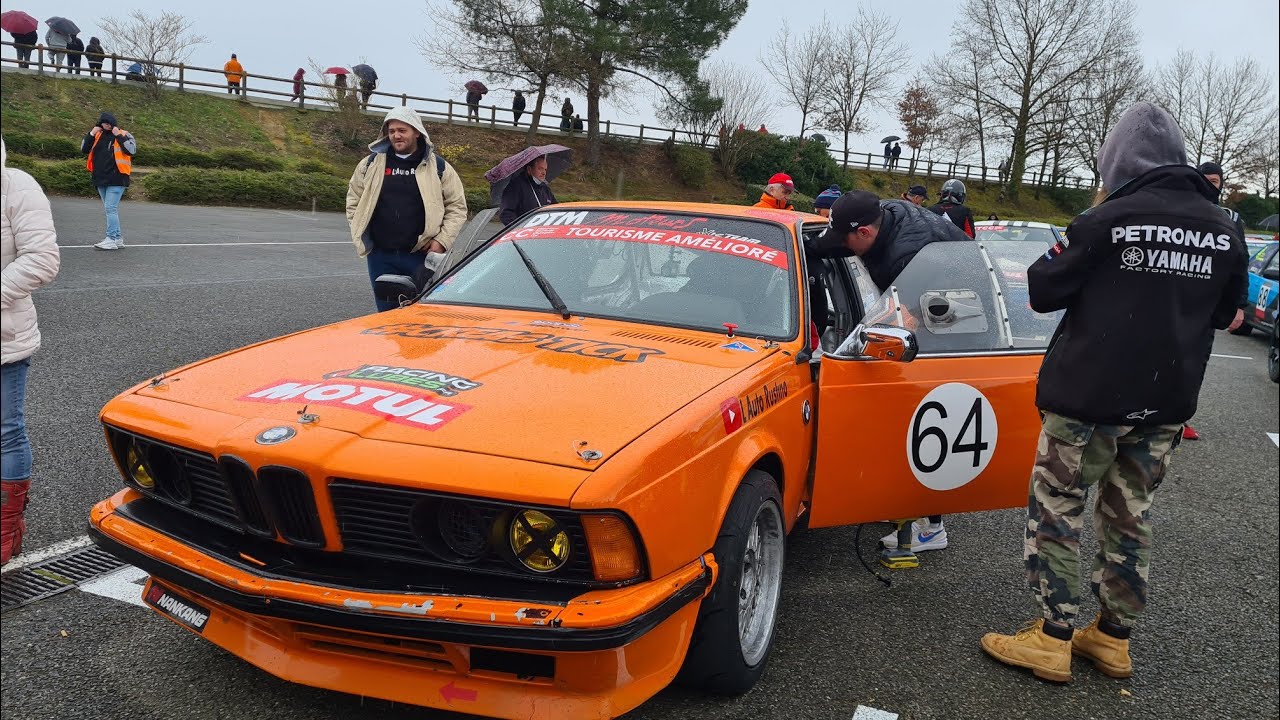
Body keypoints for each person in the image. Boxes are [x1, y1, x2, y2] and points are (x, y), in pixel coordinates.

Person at [980, 102, 1246, 684]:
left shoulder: (1106, 219)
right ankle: (1112, 638)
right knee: (1131, 514)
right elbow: (1226, 312)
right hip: (1166, 402)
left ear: (1118, 163)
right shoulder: (1225, 229)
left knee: (1058, 506)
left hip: (1088, 398)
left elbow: (1042, 289)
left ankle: (1053, 637)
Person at [1, 138, 62, 565]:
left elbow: (41, 259)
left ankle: (6, 528)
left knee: (5, 432)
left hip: (4, 338)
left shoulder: (16, 185)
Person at [346, 107, 468, 312]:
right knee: (386, 315)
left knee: (422, 314)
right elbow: (353, 200)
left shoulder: (439, 167)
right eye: (392, 131)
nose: (396, 135)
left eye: (402, 130)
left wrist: (442, 241)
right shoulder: (370, 164)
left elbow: (457, 206)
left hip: (420, 256)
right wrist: (359, 228)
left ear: (417, 132)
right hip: (380, 256)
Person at [81, 112, 136, 250]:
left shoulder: (124, 134)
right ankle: (117, 238)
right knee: (110, 209)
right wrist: (91, 134)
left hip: (117, 178)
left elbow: (131, 150)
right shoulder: (97, 134)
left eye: (109, 123)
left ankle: (110, 239)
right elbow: (84, 149)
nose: (107, 125)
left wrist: (119, 136)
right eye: (104, 123)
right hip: (100, 178)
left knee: (110, 208)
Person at [499, 154, 558, 225]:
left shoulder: (545, 188)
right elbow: (506, 214)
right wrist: (521, 227)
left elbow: (556, 209)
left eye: (545, 169)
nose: (544, 173)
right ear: (529, 169)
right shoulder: (515, 186)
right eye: (540, 168)